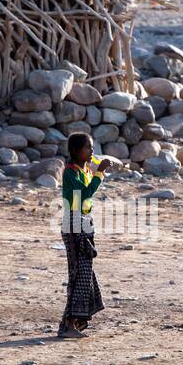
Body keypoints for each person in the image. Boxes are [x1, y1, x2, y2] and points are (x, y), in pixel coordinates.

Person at [57, 133, 115, 339]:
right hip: (73, 225)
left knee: (85, 274)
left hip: (84, 223)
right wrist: (100, 173)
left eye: (92, 147)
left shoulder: (84, 171)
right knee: (78, 275)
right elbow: (85, 194)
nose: (92, 151)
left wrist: (97, 172)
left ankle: (73, 323)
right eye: (88, 148)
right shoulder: (70, 173)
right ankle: (68, 325)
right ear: (75, 151)